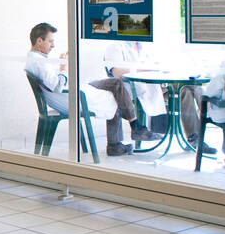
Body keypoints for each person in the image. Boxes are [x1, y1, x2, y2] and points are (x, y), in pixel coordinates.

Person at [25, 23, 158, 156]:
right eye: (50, 41)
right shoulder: (39, 63)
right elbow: (58, 86)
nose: (53, 45)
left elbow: (55, 83)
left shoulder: (35, 59)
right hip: (75, 96)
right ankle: (127, 133)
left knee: (116, 85)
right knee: (116, 89)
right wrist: (63, 66)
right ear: (39, 41)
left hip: (77, 90)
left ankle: (123, 137)